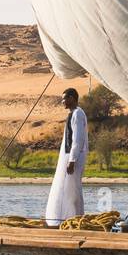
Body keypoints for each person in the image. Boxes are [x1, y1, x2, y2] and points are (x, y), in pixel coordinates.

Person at [45, 87, 87, 225]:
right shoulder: (73, 113)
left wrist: (72, 160)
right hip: (70, 156)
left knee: (73, 189)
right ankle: (68, 218)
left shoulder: (78, 114)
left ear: (72, 98)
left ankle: (77, 218)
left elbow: (78, 139)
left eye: (64, 99)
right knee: (68, 189)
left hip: (74, 157)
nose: (62, 101)